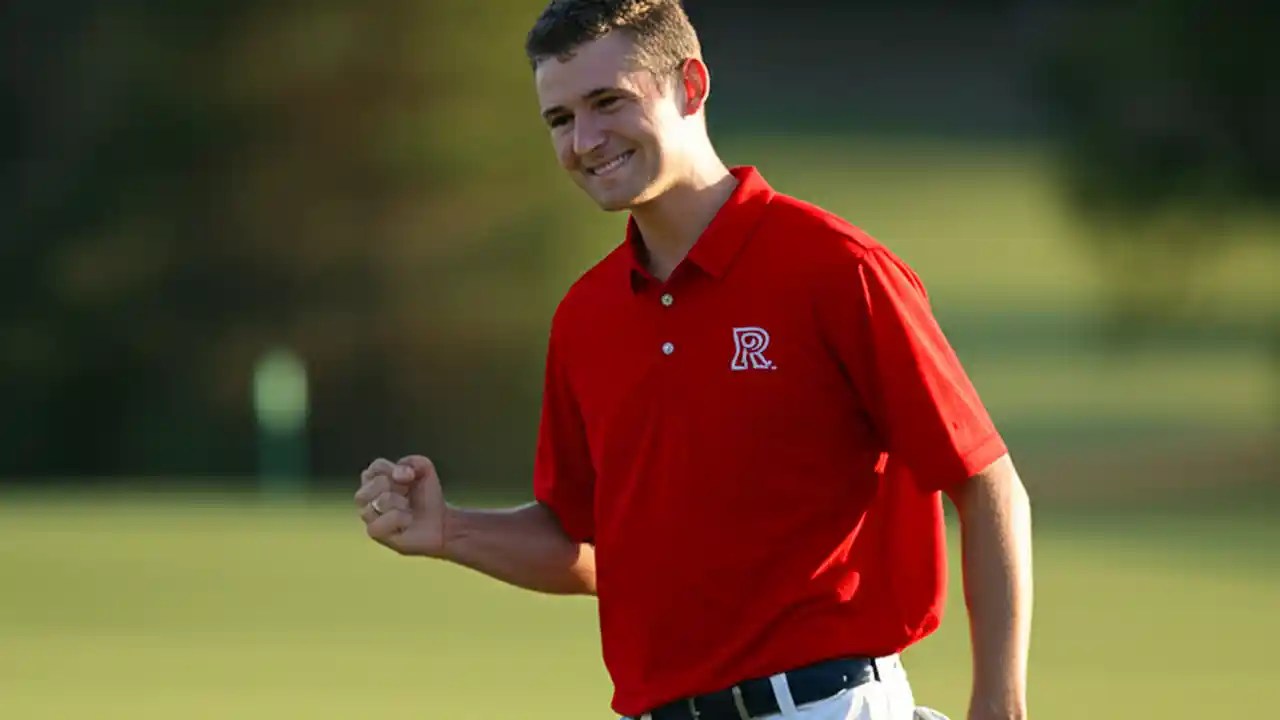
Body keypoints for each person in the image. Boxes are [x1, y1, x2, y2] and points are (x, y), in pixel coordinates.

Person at [354, 2, 1033, 719]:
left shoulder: (836, 269)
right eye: (560, 119)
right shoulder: (586, 319)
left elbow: (986, 482)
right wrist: (450, 530)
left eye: (608, 102)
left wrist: (999, 698)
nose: (585, 140)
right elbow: (590, 547)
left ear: (691, 85)